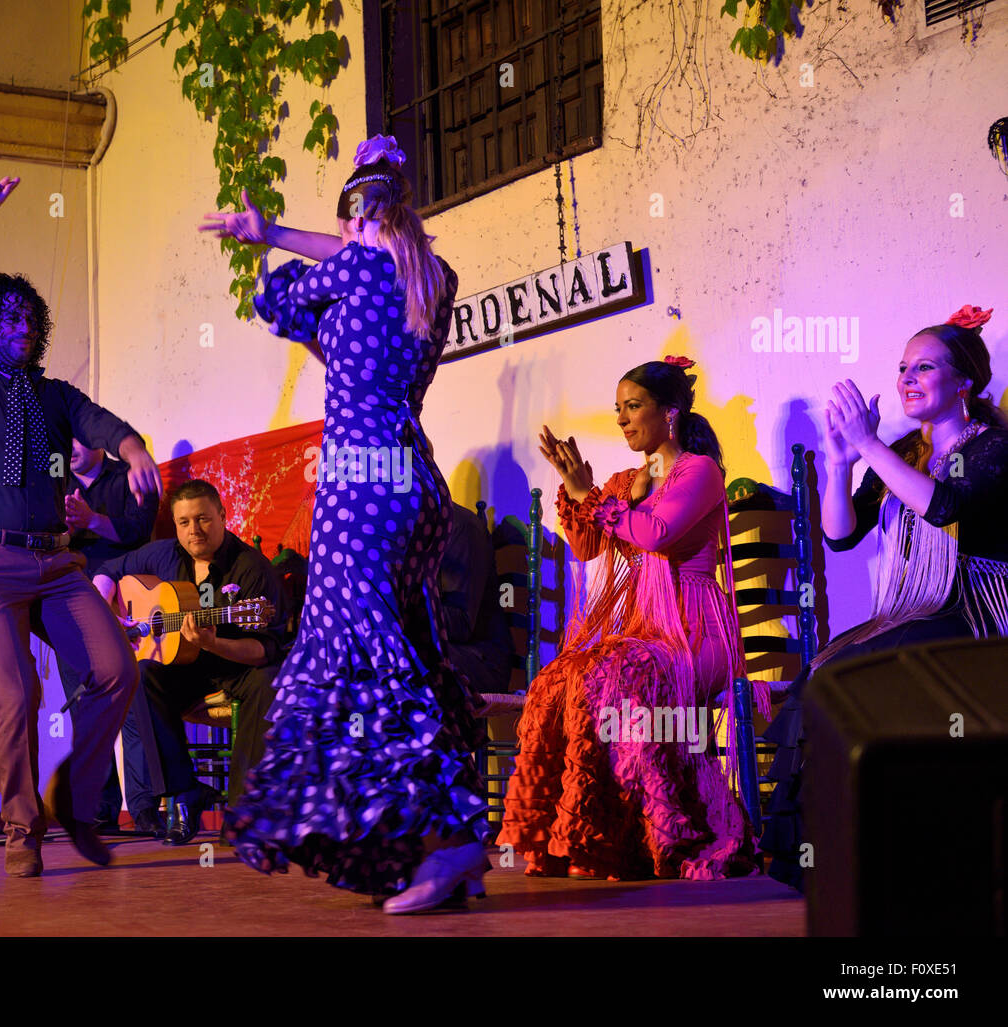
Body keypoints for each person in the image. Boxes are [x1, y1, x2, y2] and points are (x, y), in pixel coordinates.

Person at [199, 134, 491, 913]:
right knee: (413, 654)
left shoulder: (354, 272)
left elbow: (277, 301)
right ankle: (445, 843)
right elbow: (361, 265)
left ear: (356, 223)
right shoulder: (431, 280)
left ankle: (451, 838)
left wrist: (268, 237)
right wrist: (307, 234)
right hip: (416, 486)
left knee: (362, 656)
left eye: (346, 225)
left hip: (360, 489)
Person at [0, 175, 163, 877]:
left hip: (57, 564)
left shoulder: (52, 395)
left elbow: (99, 421)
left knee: (117, 670)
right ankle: (21, 828)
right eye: (8, 319)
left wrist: (133, 448)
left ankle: (76, 800)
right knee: (16, 689)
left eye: (30, 320)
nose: (22, 328)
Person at [761, 305, 1008, 892]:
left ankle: (887, 858)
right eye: (902, 368)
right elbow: (841, 536)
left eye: (925, 367)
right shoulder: (900, 451)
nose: (907, 379)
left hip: (973, 613)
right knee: (821, 677)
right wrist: (843, 462)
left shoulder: (994, 446)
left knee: (849, 675)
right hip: (914, 611)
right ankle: (829, 860)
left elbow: (945, 506)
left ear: (964, 382)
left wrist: (869, 443)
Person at [498, 357, 769, 881]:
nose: (622, 420)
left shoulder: (699, 470)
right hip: (643, 629)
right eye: (618, 410)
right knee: (557, 680)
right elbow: (585, 546)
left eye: (633, 406)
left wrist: (589, 497)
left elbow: (656, 535)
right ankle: (584, 837)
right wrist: (579, 491)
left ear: (670, 413)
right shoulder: (625, 481)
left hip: (695, 630)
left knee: (618, 676)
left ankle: (660, 835)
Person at [92, 479, 288, 843]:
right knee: (142, 674)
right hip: (186, 667)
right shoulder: (165, 554)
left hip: (237, 668)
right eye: (184, 522)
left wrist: (213, 644)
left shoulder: (251, 569)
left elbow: (265, 650)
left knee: (268, 682)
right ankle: (184, 794)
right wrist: (107, 612)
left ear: (223, 516)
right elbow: (108, 569)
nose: (193, 530)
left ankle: (245, 813)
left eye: (203, 519)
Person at [58, 439, 158, 834]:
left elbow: (140, 530)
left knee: (133, 708)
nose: (70, 448)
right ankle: (99, 809)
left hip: (127, 607)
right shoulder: (55, 482)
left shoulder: (127, 476)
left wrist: (92, 520)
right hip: (70, 608)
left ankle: (144, 807)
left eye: (77, 437)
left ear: (98, 439)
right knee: (85, 710)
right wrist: (63, 532)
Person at [439, 502, 513, 696]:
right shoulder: (409, 529)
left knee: (406, 660)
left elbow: (461, 625)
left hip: (482, 660)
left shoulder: (460, 527)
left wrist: (403, 610)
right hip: (447, 650)